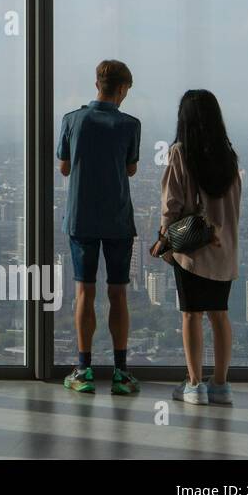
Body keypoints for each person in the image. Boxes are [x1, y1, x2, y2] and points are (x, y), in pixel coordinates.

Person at [57, 59, 142, 395]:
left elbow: (64, 167)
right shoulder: (130, 125)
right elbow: (130, 169)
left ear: (97, 85)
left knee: (84, 292)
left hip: (81, 218)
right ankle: (121, 373)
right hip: (118, 219)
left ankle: (83, 370)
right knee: (118, 293)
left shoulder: (72, 120)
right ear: (122, 89)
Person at [154, 89, 241, 406]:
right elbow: (234, 208)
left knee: (191, 315)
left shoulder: (180, 153)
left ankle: (193, 384)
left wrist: (165, 238)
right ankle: (220, 384)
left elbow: (171, 204)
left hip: (191, 253)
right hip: (224, 252)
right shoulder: (229, 158)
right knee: (220, 315)